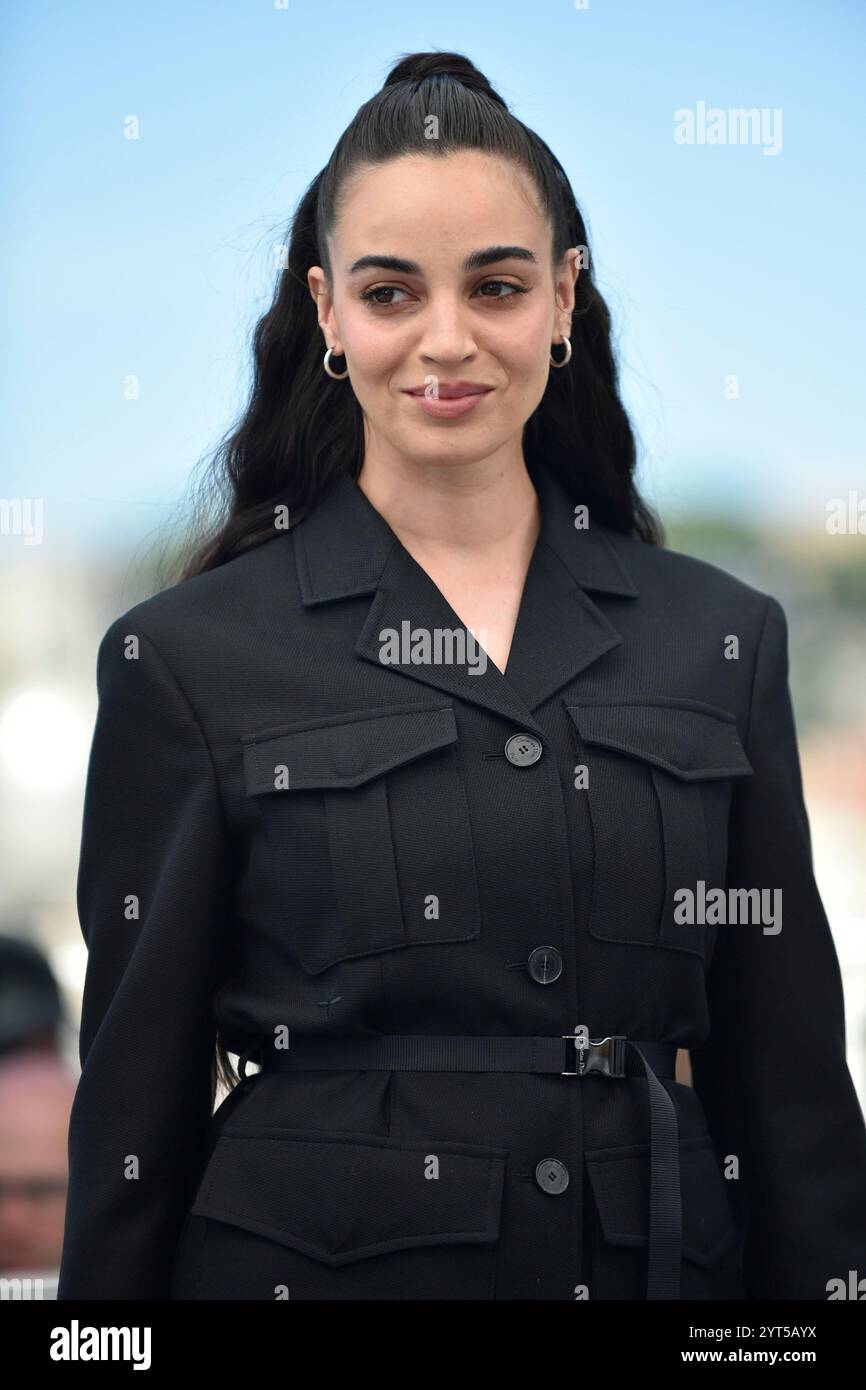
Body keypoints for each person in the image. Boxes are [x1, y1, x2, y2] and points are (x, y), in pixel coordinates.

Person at [57, 50, 866, 1301]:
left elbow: (791, 1090)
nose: (446, 341)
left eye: (494, 285)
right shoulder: (186, 658)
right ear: (326, 312)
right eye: (391, 294)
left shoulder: (718, 636)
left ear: (562, 298)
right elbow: (132, 1116)